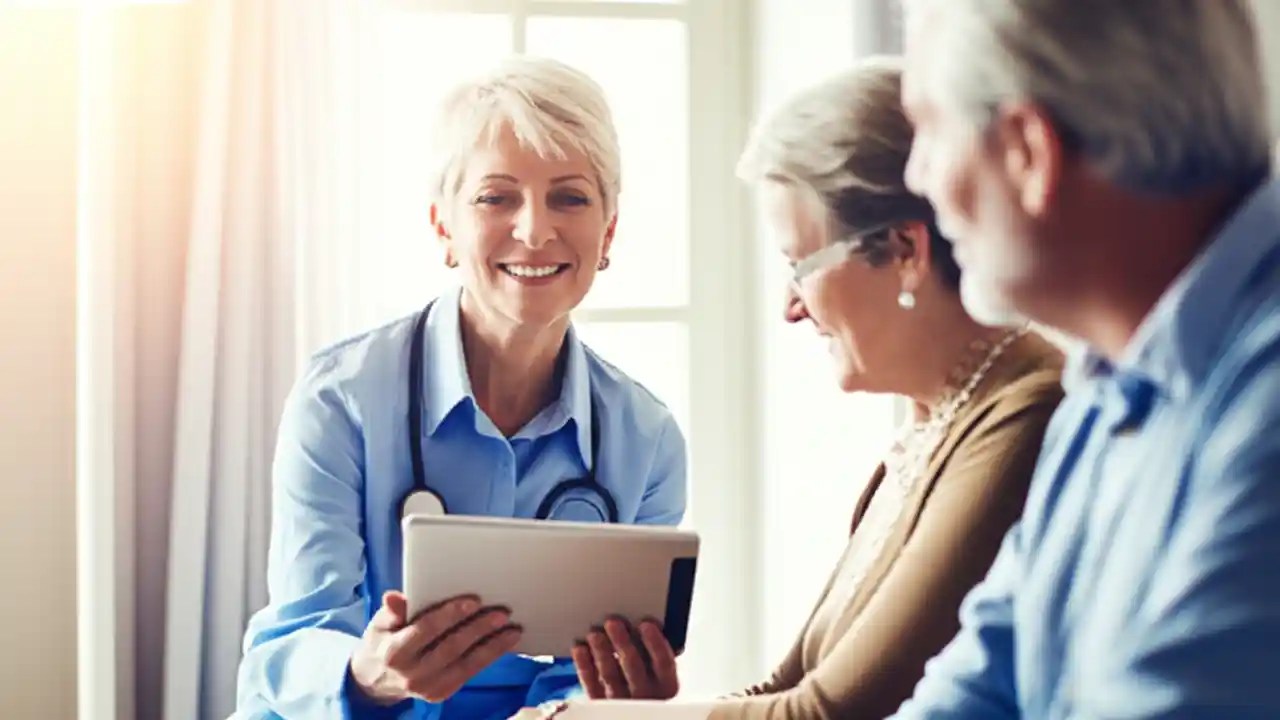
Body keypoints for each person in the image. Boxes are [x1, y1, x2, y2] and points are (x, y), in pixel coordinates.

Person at [529, 57, 1064, 720]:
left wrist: (571, 719)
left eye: (800, 264)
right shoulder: (931, 426)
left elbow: (823, 714)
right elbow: (785, 686)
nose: (790, 306)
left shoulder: (1021, 416)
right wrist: (637, 713)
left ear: (905, 251)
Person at [234, 55, 688, 720]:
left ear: (608, 231)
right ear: (444, 227)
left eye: (569, 197)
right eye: (495, 198)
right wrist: (369, 675)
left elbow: (575, 686)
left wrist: (610, 701)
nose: (535, 230)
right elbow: (293, 643)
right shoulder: (342, 400)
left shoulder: (647, 442)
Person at [892, 0, 1280, 717]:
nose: (917, 177)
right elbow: (978, 687)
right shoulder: (1105, 394)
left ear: (1028, 151)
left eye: (930, 130)